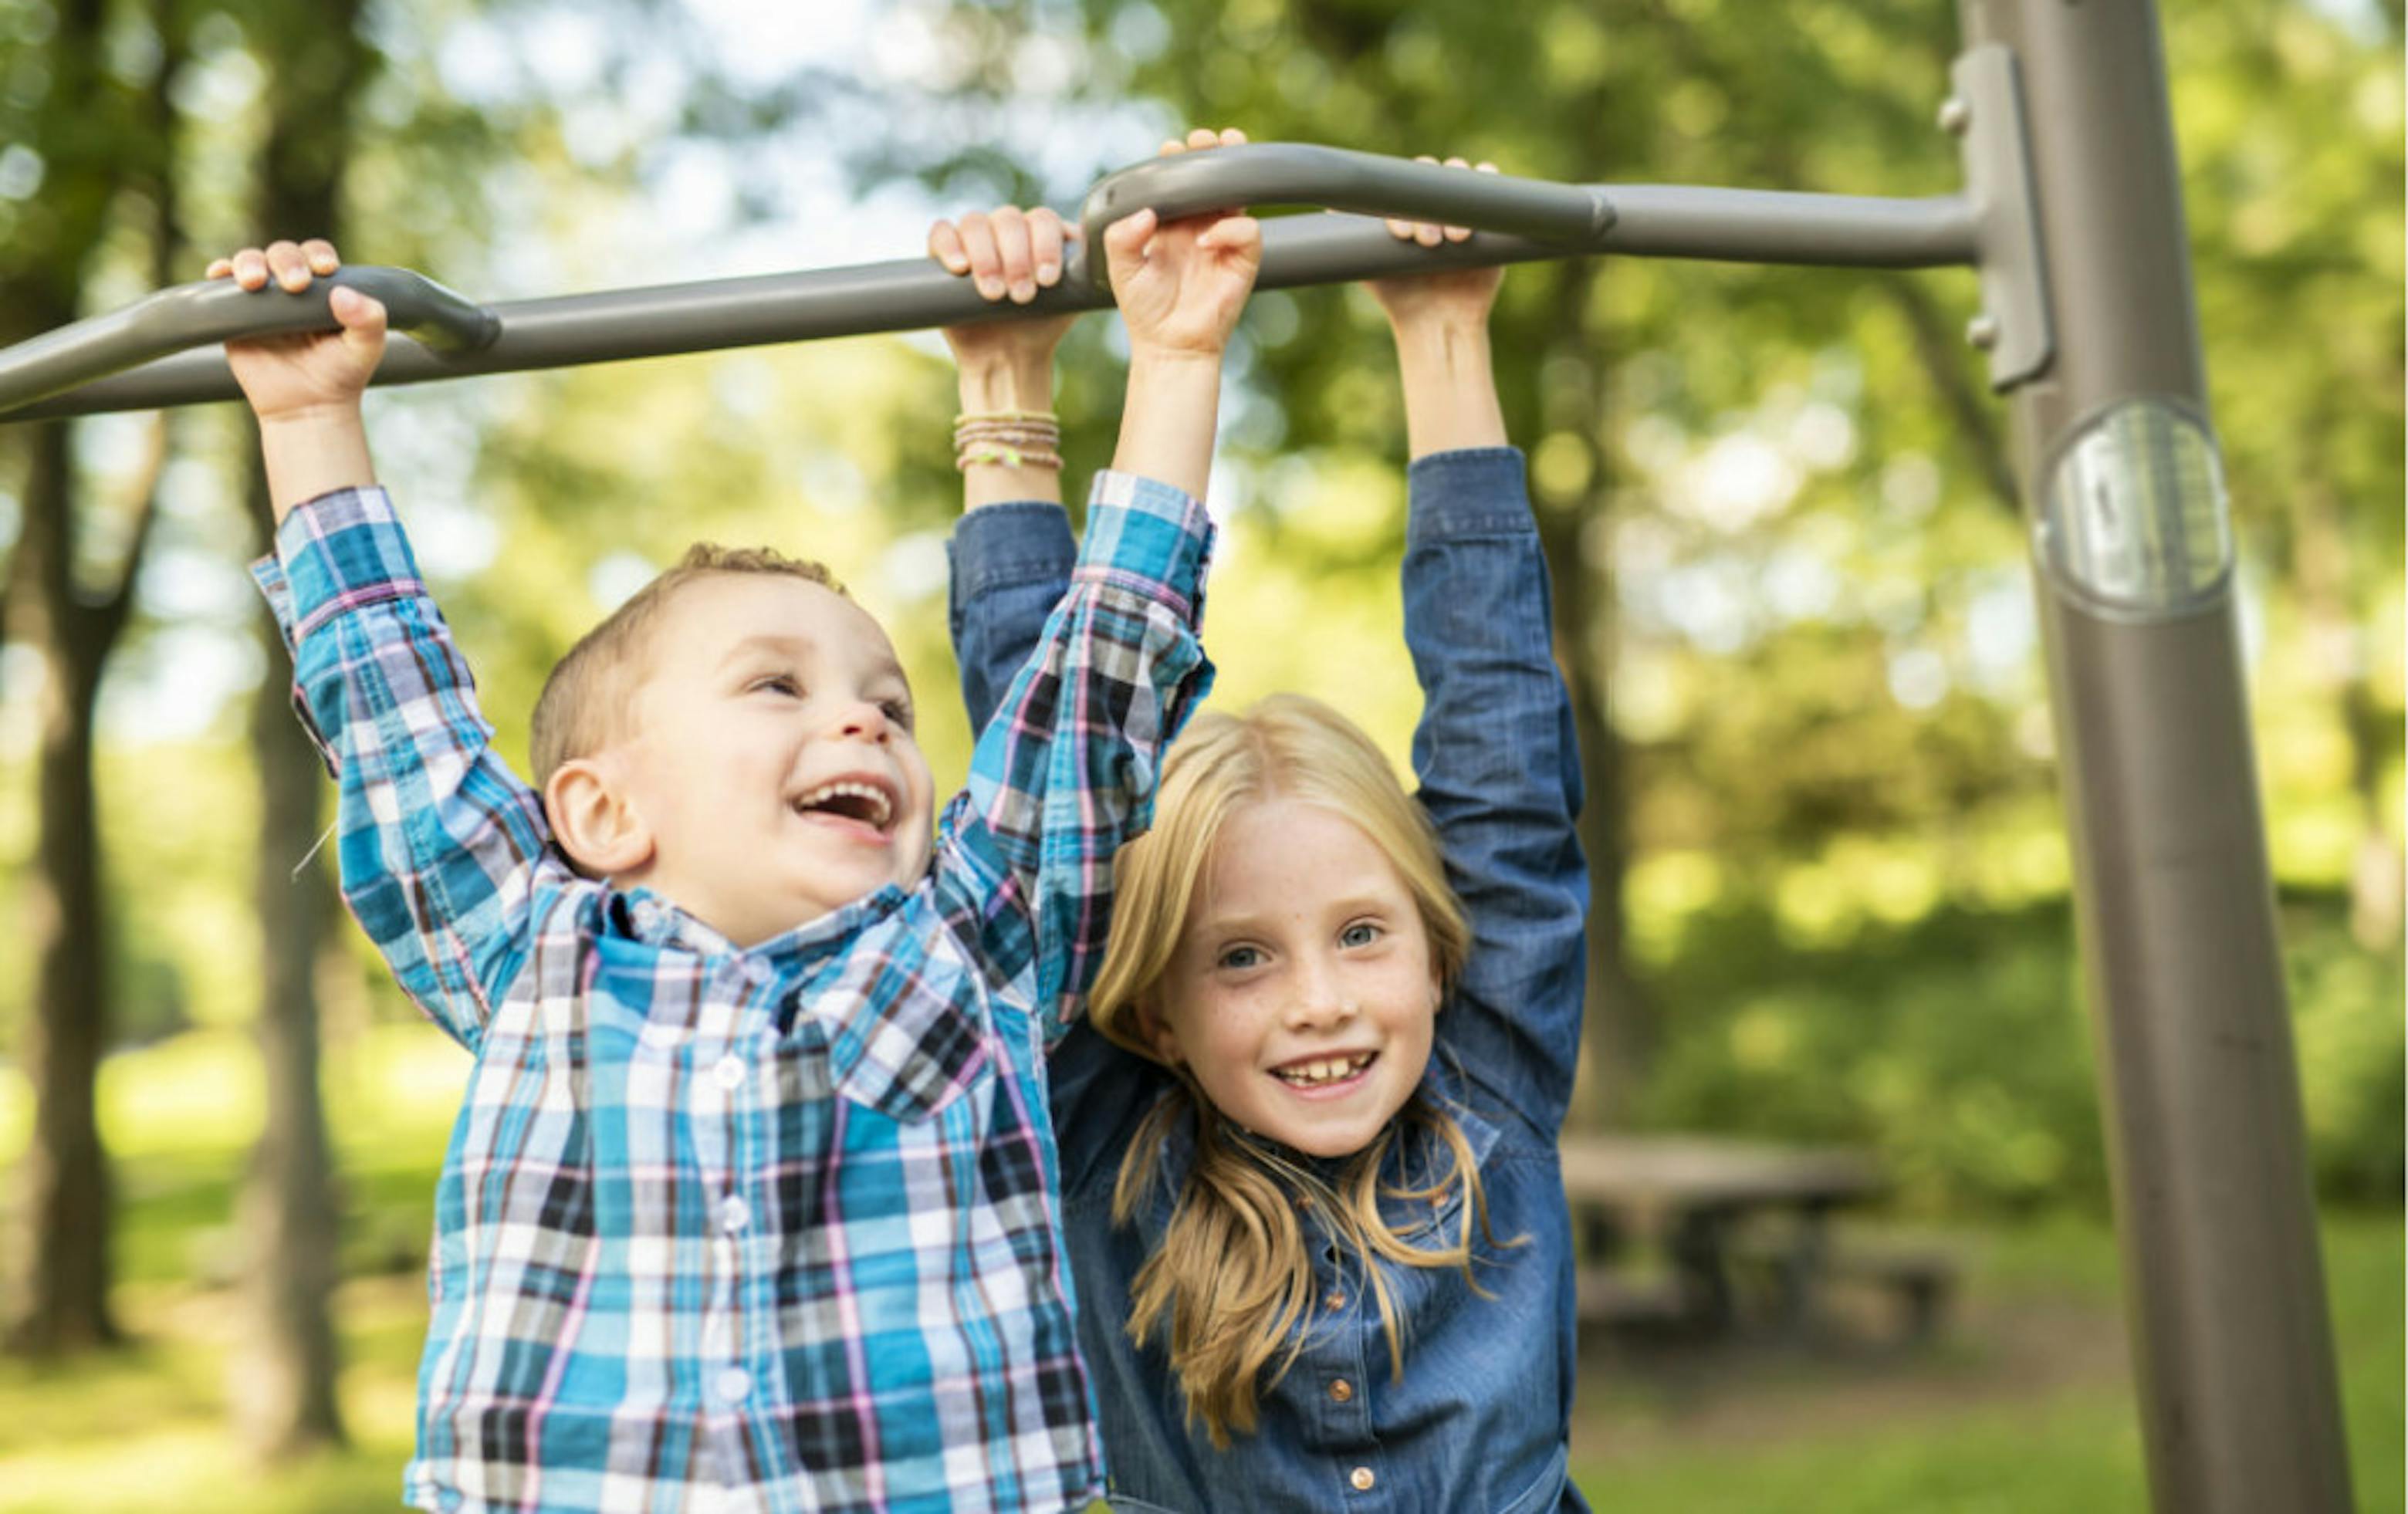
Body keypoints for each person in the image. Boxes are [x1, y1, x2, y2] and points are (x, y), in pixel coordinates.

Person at [215, 156, 1257, 1514]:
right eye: (777, 686)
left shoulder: (971, 949)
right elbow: (389, 714)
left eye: (890, 705)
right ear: (602, 814)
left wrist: (1175, 355)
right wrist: (308, 420)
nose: (864, 719)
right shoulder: (536, 957)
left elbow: (1104, 676)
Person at [939, 145, 1591, 1512]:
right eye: (1239, 956)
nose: (1320, 1001)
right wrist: (1006, 390)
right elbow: (1051, 791)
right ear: (1156, 1012)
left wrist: (1444, 328)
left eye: (1362, 934)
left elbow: (1505, 753)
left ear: (1439, 957)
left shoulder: (1487, 1085)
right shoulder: (1110, 1142)